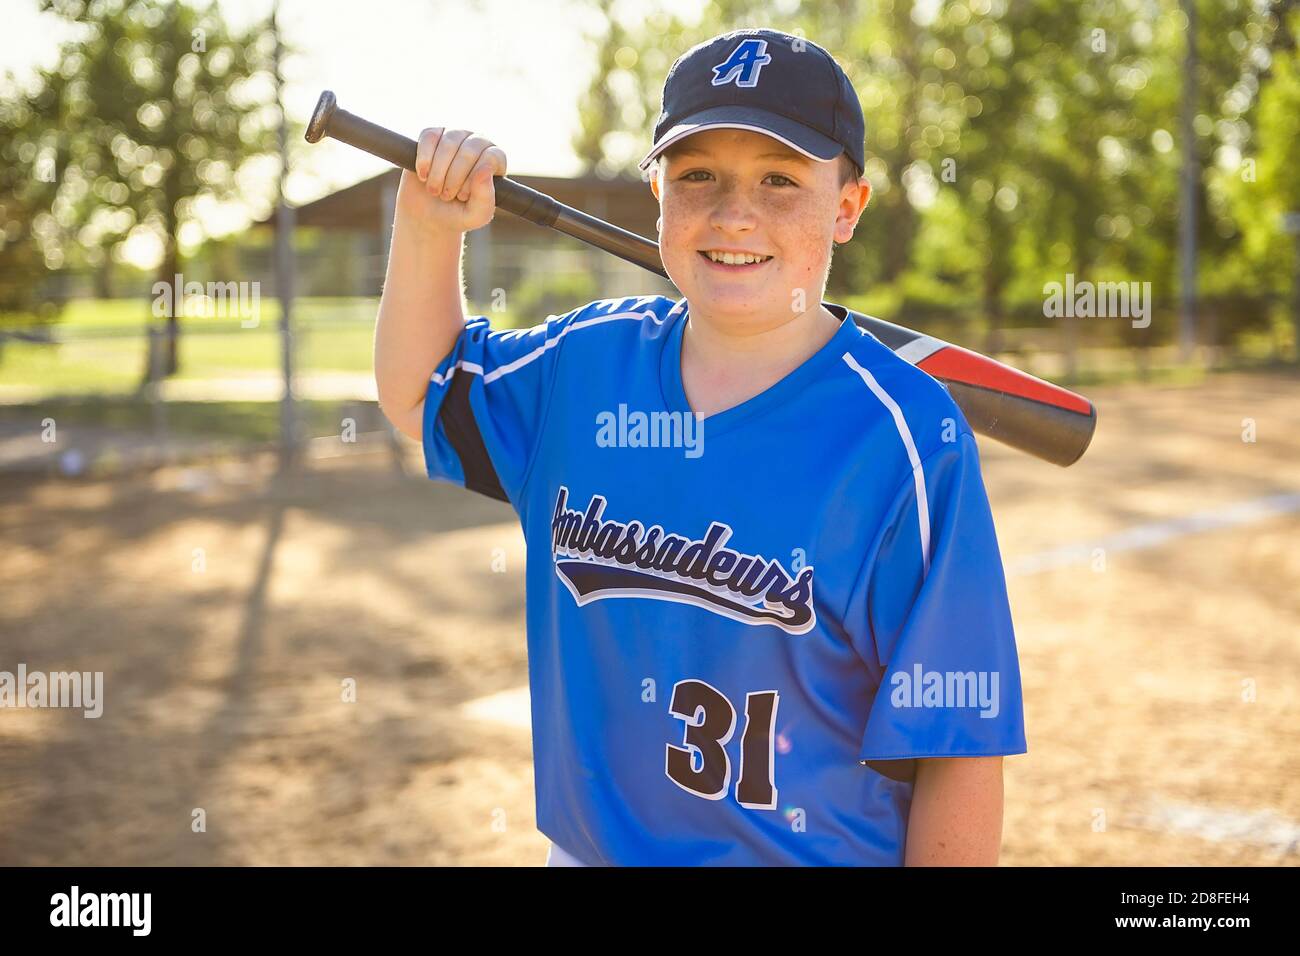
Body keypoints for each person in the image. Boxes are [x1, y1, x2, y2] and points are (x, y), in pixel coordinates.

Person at [375, 27, 1026, 866]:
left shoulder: (904, 438)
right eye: (698, 176)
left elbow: (958, 745)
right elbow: (420, 391)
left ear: (847, 207)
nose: (733, 213)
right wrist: (429, 229)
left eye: (780, 179)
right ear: (658, 194)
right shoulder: (584, 365)